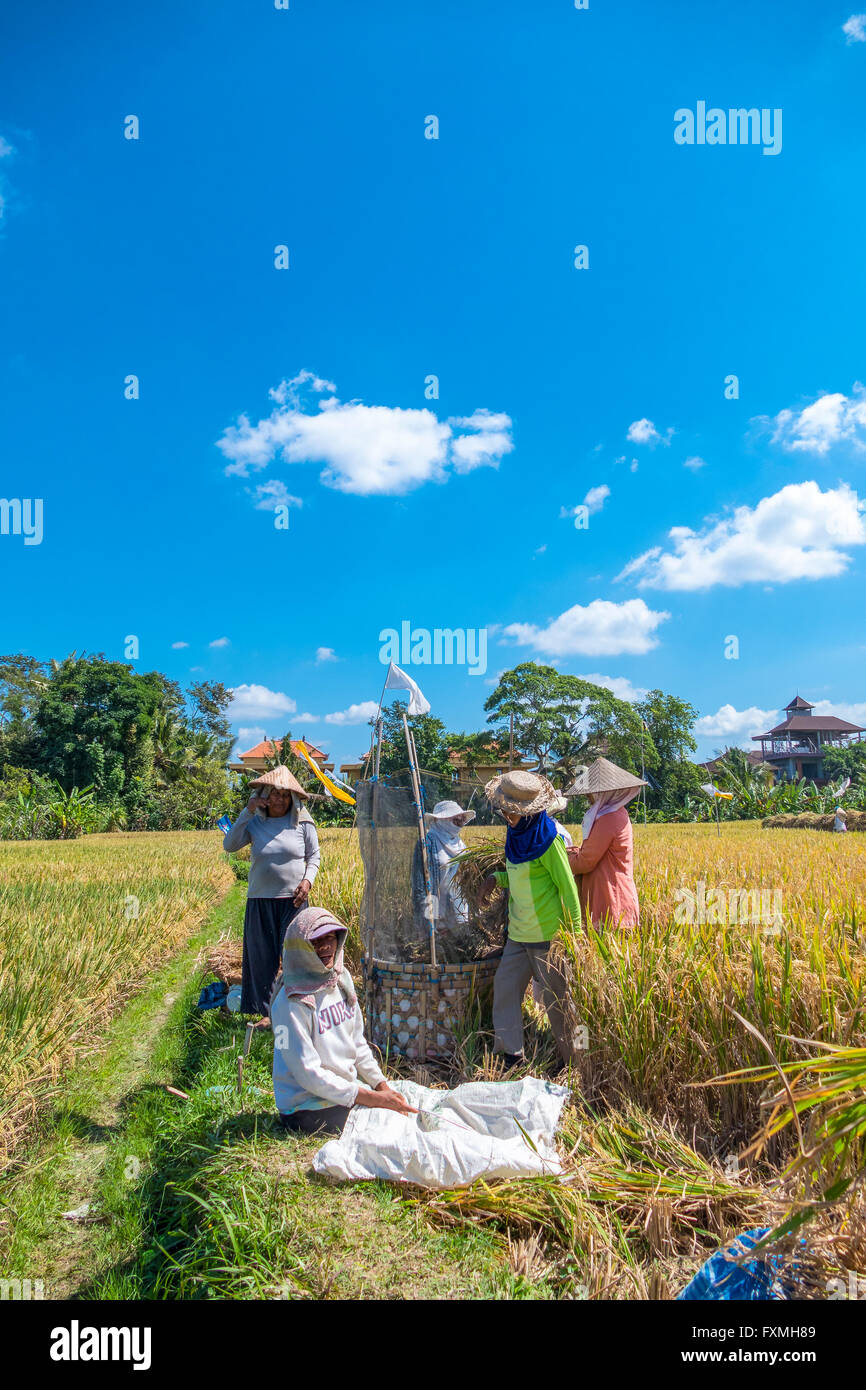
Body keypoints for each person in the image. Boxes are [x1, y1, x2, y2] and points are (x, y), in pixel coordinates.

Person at [270, 906, 417, 1135]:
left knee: (406, 1111)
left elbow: (357, 1043)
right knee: (393, 1128)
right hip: (307, 1107)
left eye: (330, 938)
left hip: (343, 1093)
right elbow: (308, 1073)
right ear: (301, 949)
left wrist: (381, 1086)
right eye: (316, 941)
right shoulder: (289, 1003)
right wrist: (373, 1099)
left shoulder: (341, 980)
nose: (326, 946)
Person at [478, 771, 582, 1069]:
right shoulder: (516, 835)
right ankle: (512, 1055)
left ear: (531, 811)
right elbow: (519, 876)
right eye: (505, 810)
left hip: (547, 936)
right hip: (519, 934)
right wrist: (495, 878)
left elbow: (568, 888)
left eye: (513, 811)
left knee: (559, 1005)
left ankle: (575, 1062)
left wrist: (576, 937)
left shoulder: (549, 841)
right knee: (505, 988)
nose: (508, 815)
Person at [222, 766, 321, 1025]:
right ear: (265, 795)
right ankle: (266, 1014)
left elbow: (314, 856)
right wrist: (248, 809)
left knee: (294, 956)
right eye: (275, 794)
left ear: (293, 798)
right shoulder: (254, 821)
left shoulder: (303, 821)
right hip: (260, 899)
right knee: (261, 956)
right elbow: (230, 845)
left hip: (294, 900)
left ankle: (296, 1010)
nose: (280, 799)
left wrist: (307, 881)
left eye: (285, 795)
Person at [565, 758, 646, 930]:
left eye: (592, 793)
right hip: (610, 897)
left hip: (611, 900)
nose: (588, 796)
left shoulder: (609, 818)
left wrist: (562, 856)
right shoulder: (615, 814)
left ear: (607, 793)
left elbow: (585, 861)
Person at [412, 800, 475, 935]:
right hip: (437, 912)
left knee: (460, 948)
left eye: (461, 819)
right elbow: (420, 885)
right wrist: (430, 921)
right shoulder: (426, 843)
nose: (460, 822)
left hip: (458, 909)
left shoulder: (460, 844)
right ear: (440, 820)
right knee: (440, 949)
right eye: (455, 819)